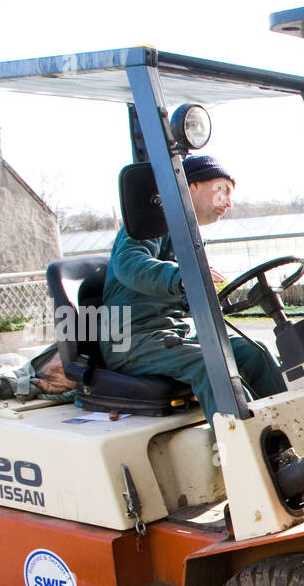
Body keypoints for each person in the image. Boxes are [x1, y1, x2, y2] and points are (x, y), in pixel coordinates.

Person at [100, 154, 286, 420]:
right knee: (211, 364)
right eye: (221, 190)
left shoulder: (189, 235)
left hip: (172, 332)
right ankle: (243, 451)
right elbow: (129, 264)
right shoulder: (151, 223)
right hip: (132, 339)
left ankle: (286, 431)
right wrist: (182, 277)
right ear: (192, 186)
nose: (228, 202)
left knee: (255, 351)